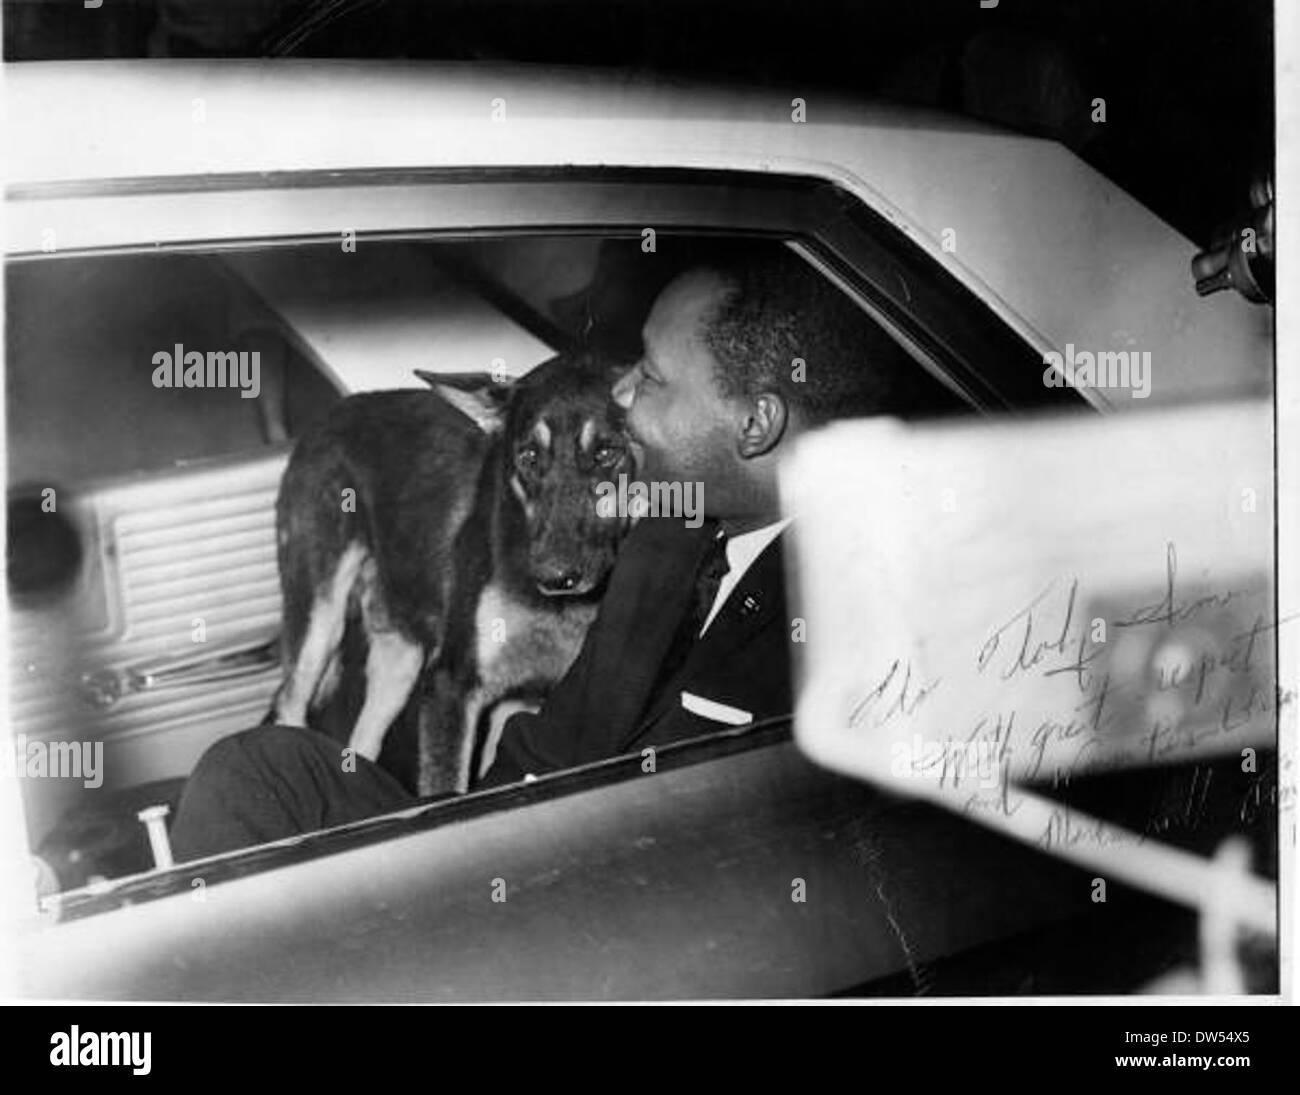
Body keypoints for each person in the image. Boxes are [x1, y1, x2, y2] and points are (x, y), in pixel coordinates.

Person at [169, 247, 944, 860]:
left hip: (616, 917)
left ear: (754, 425)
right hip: (517, 859)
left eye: (653, 378)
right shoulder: (672, 532)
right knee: (254, 775)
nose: (623, 394)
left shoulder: (857, 615)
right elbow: (552, 743)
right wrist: (451, 851)